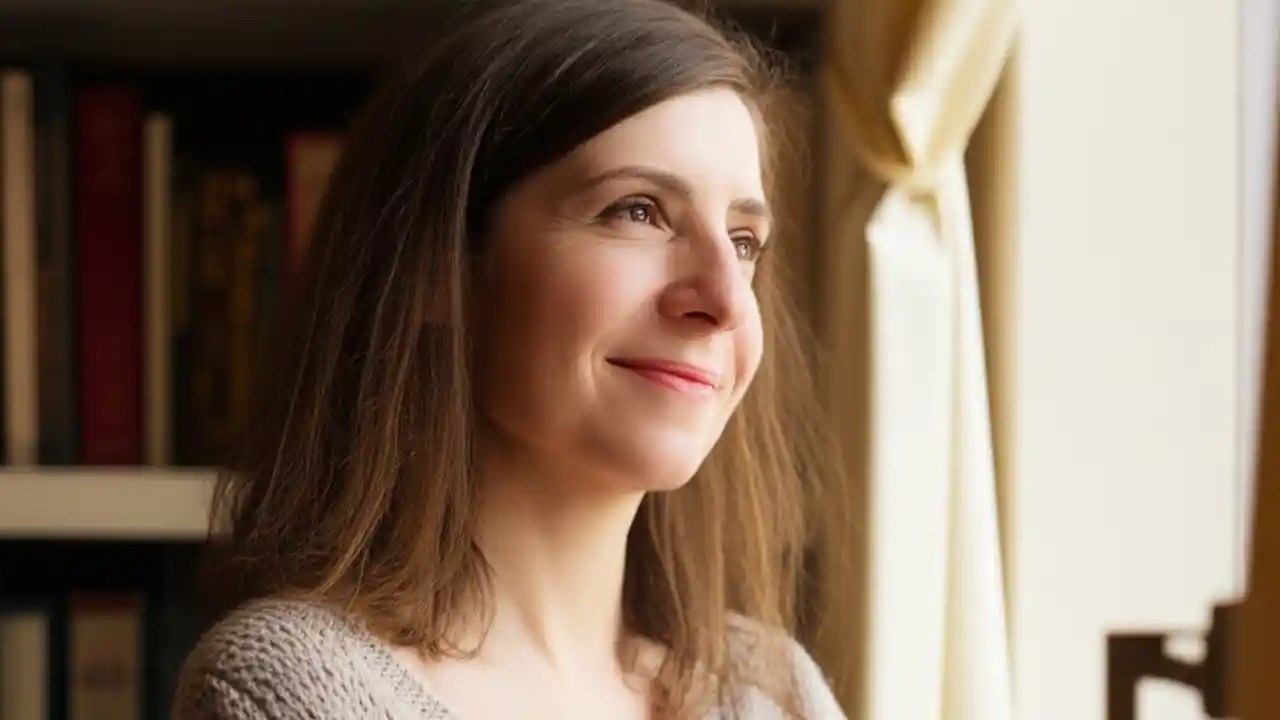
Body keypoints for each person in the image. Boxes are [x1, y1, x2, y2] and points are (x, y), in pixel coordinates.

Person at [172, 0, 844, 717]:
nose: (726, 300)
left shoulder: (772, 693)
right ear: (441, 271)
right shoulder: (296, 689)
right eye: (638, 210)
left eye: (744, 242)